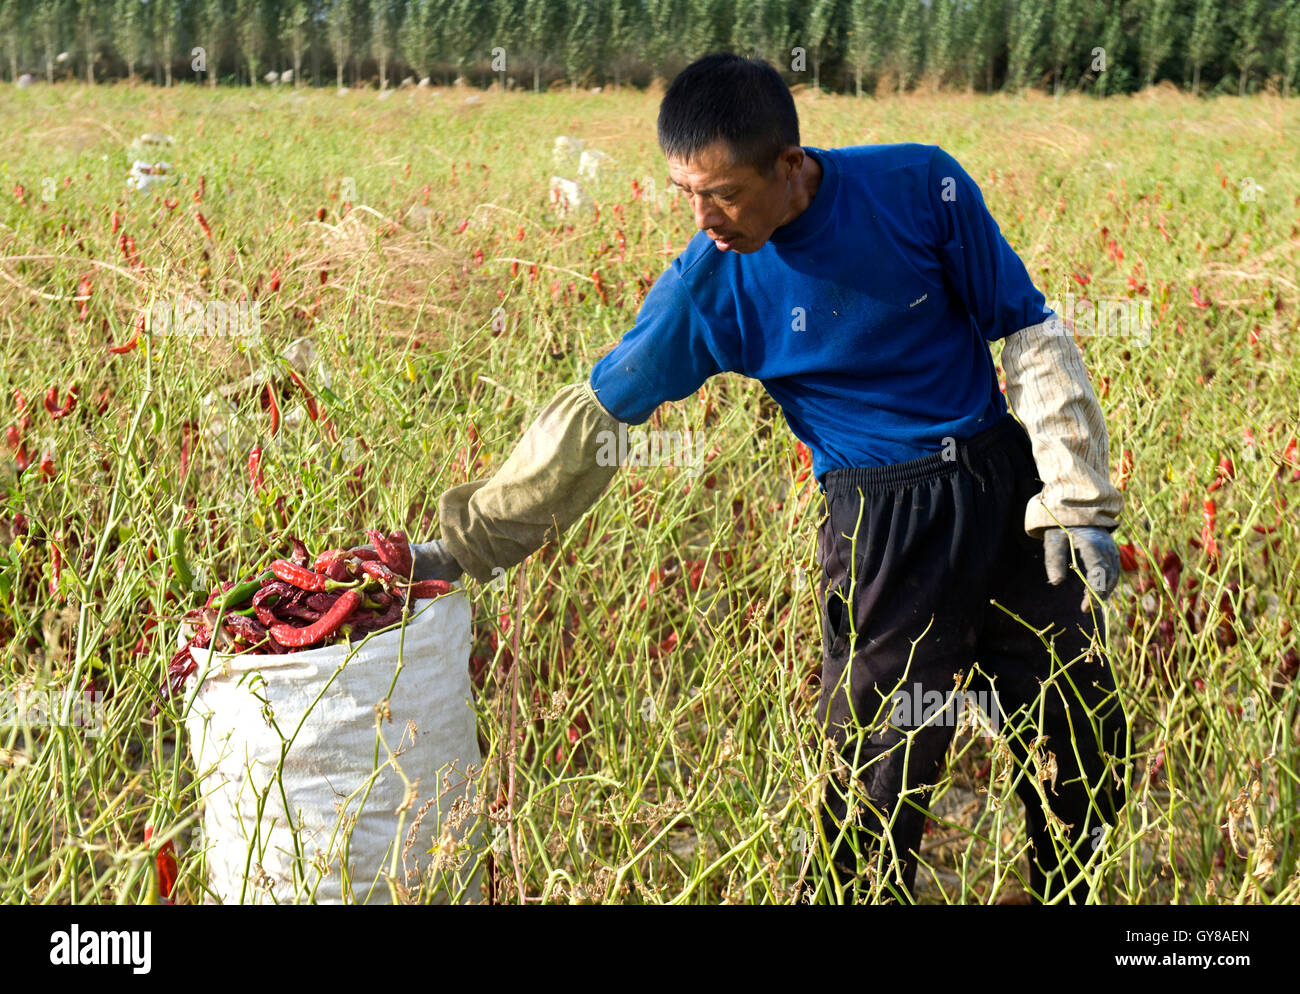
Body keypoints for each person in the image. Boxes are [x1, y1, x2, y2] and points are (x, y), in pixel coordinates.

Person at [405, 52, 1131, 904]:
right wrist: (464, 544)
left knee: (1076, 727)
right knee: (879, 767)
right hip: (883, 525)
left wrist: (1076, 499)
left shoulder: (919, 186)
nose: (707, 217)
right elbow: (596, 420)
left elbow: (1030, 332)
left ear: (789, 165)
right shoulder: (708, 291)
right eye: (687, 193)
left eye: (726, 192)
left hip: (1002, 484)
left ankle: (1072, 895)